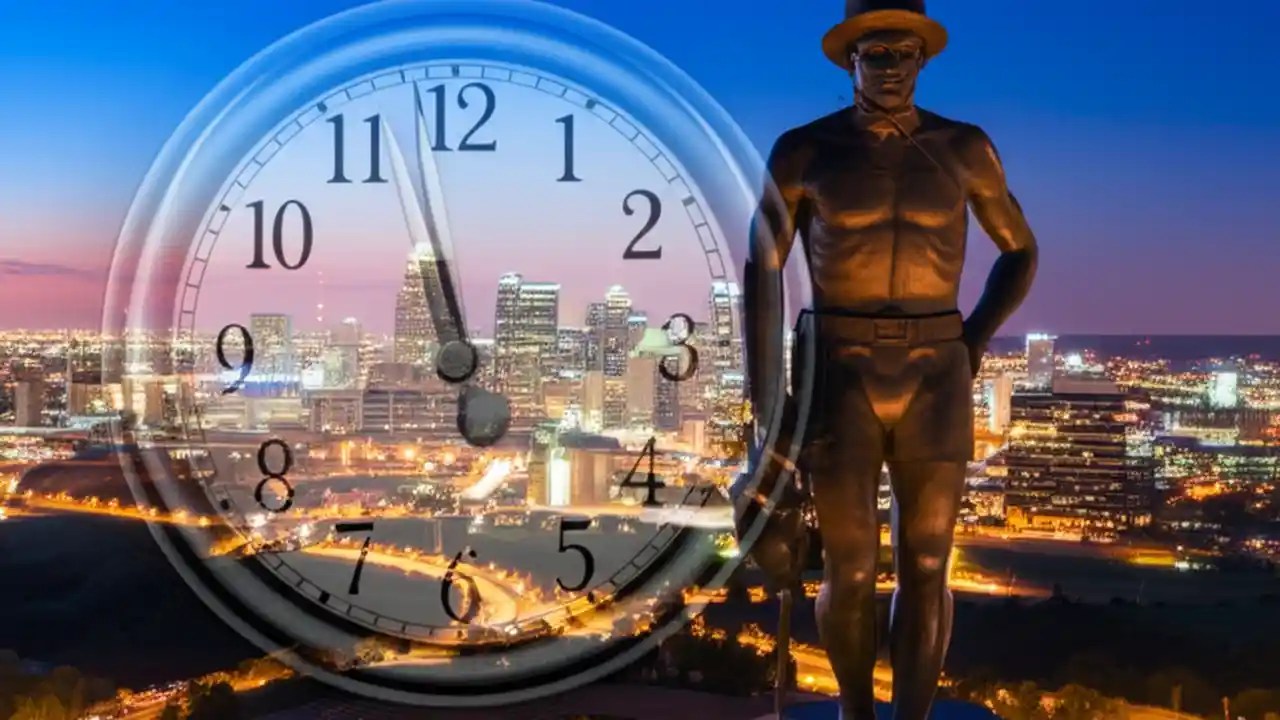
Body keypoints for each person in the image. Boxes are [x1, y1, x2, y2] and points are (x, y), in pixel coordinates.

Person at [741, 2, 1039, 718]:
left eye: (904, 52)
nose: (891, 65)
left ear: (925, 59)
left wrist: (973, 340)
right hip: (838, 368)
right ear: (850, 60)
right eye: (876, 53)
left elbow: (1020, 249)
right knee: (849, 564)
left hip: (936, 369)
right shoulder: (804, 150)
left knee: (929, 565)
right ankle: (854, 711)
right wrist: (769, 407)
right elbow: (762, 269)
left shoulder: (966, 149)